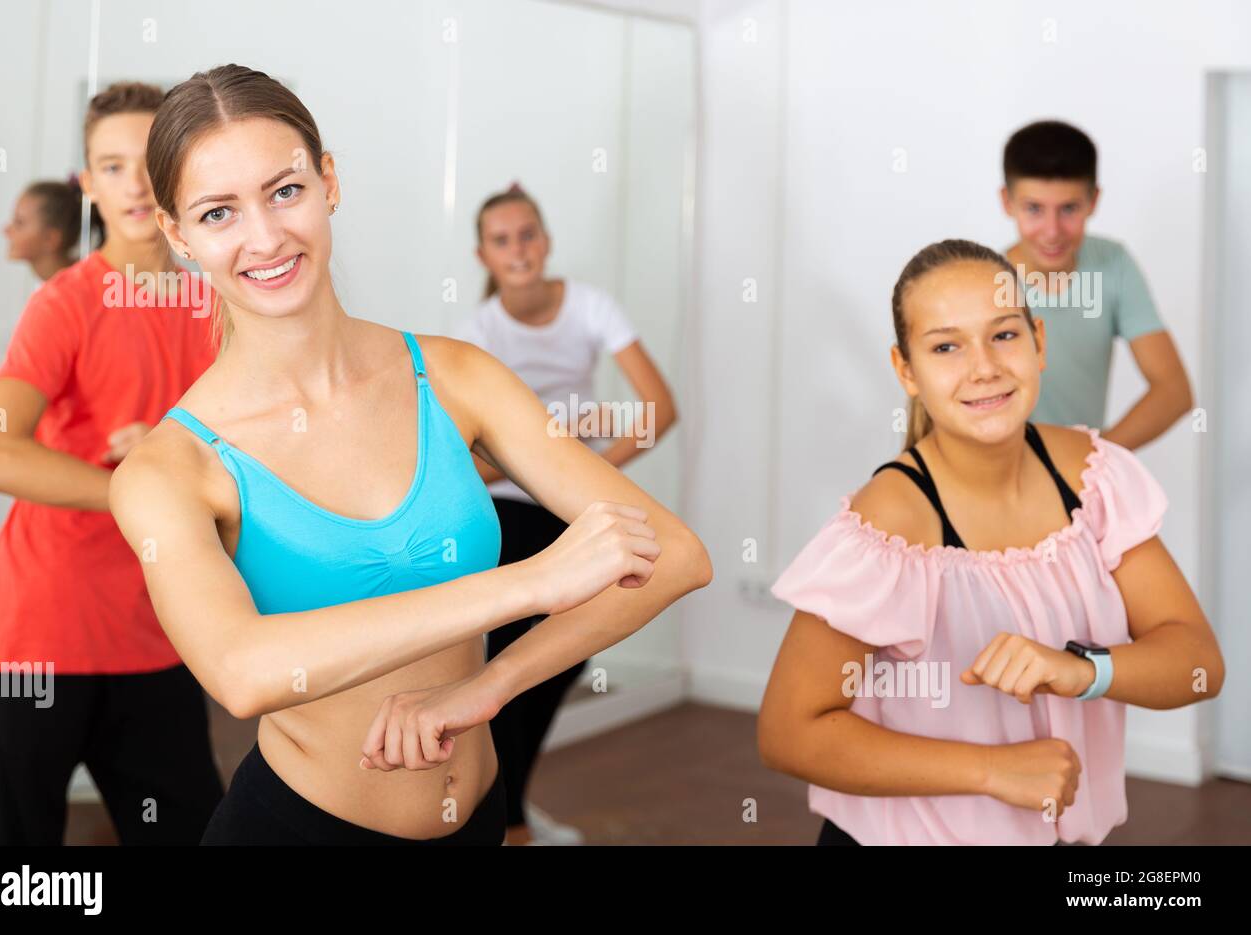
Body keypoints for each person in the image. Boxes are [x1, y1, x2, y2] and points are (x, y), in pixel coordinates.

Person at [109, 64, 712, 846]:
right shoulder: (168, 469)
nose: (264, 237)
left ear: (328, 182)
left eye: (284, 190)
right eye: (219, 211)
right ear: (178, 234)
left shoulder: (459, 377)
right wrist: (529, 583)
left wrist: (490, 685)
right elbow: (243, 672)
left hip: (478, 817)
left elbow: (679, 555)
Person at [757, 239, 1223, 846]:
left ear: (1039, 343)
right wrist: (991, 771)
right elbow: (789, 732)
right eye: (946, 346)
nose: (983, 367)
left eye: (1003, 335)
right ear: (907, 371)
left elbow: (1197, 663)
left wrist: (1081, 668)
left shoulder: (1092, 475)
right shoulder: (889, 522)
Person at [0, 82, 223, 845]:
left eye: (148, 161)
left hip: (162, 627)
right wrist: (139, 484)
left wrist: (181, 454)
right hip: (37, 635)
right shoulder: (64, 305)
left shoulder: (221, 309)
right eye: (111, 166)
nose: (135, 183)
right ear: (87, 184)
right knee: (20, 860)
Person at [456, 183, 680, 845]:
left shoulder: (590, 305)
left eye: (527, 234)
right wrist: (552, 445)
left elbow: (657, 408)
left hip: (575, 505)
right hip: (505, 510)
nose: (517, 249)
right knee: (506, 666)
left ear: (545, 242)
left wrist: (589, 463)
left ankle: (513, 809)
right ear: (483, 255)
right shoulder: (478, 331)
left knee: (562, 658)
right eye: (502, 240)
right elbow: (470, 462)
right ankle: (510, 821)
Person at [999, 120, 1193, 450]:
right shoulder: (982, 280)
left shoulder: (1113, 264)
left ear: (1094, 201)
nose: (1052, 231)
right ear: (1008, 202)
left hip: (1082, 483)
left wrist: (1092, 460)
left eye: (1069, 209)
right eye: (1034, 209)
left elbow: (1174, 391)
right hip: (996, 478)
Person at [2, 178, 92, 281]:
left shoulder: (77, 289)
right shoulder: (60, 286)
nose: (6, 230)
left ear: (50, 238)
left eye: (19, 223)